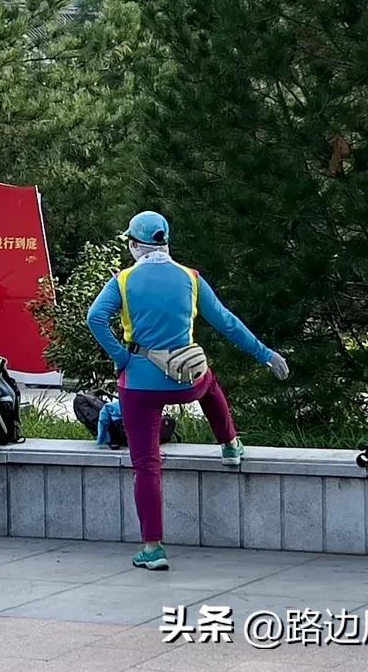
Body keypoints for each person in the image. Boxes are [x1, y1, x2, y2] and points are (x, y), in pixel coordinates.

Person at [86, 211, 290, 572]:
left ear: (134, 245)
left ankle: (153, 548)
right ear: (165, 243)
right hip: (187, 381)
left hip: (139, 384)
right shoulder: (190, 278)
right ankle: (229, 444)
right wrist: (264, 353)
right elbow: (227, 322)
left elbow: (95, 318)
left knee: (147, 465)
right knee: (209, 383)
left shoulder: (123, 280)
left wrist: (121, 357)